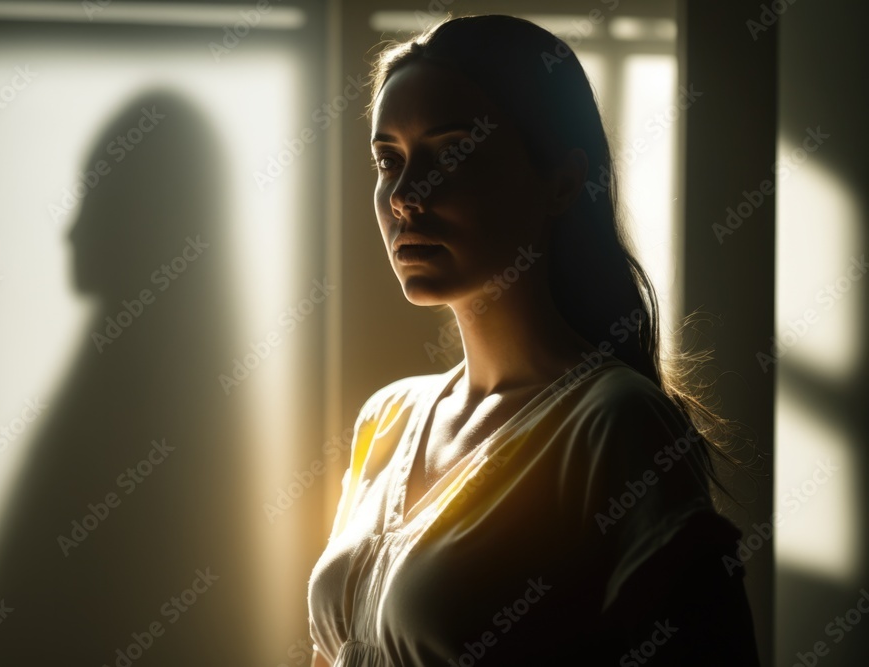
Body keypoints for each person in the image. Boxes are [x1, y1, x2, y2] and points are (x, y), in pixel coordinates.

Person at [306, 14, 762, 667]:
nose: (406, 196)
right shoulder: (386, 417)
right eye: (389, 161)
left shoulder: (615, 425)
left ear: (562, 182)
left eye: (452, 152)